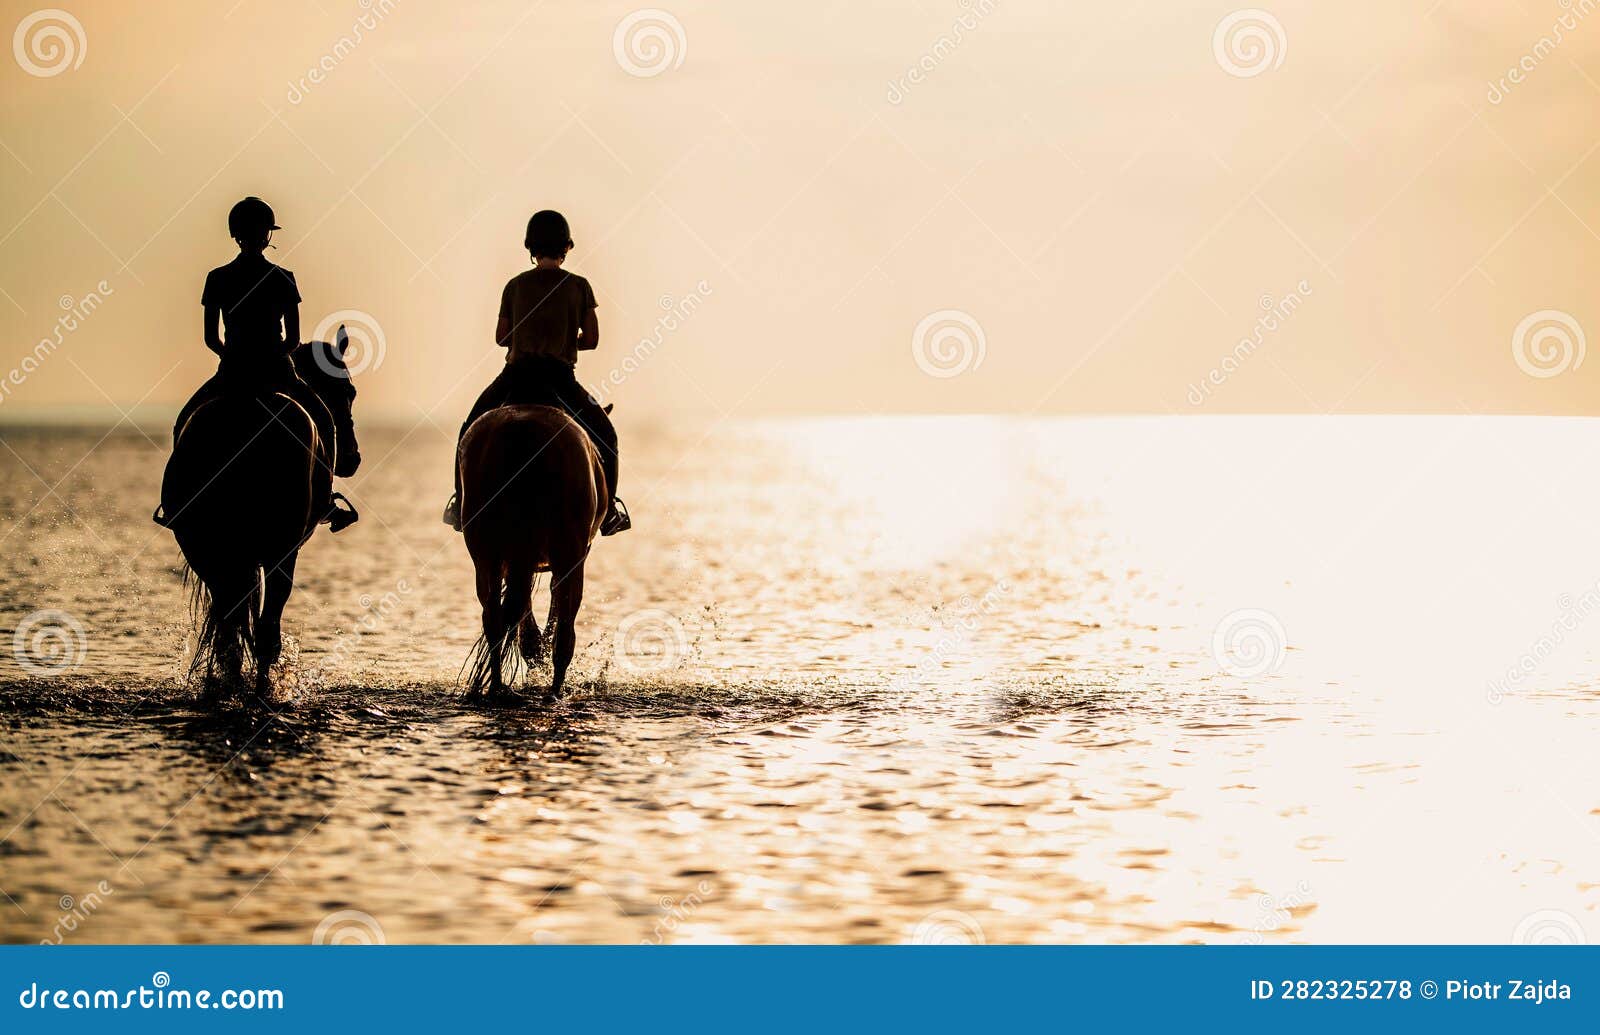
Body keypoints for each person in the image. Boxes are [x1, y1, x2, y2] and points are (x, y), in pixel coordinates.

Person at [166, 196, 358, 531]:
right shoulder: (283, 277)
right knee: (324, 422)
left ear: (235, 234)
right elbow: (293, 339)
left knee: (183, 424)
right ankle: (326, 502)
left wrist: (236, 358)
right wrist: (270, 355)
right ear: (267, 235)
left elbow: (212, 338)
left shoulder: (217, 278)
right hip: (277, 372)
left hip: (232, 373)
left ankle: (176, 507)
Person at [443, 210, 629, 536]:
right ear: (567, 247)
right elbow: (594, 340)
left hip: (515, 376)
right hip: (559, 379)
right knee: (607, 437)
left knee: (467, 431)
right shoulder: (580, 287)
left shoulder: (514, 286)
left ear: (530, 247)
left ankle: (460, 505)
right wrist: (563, 339)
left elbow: (501, 338)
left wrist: (527, 335)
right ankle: (610, 511)